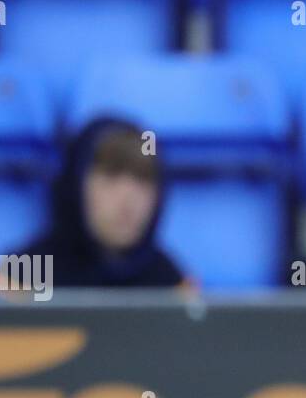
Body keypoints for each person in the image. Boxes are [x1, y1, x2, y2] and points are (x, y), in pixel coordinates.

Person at [15, 117, 191, 289]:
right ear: (74, 185)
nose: (129, 199)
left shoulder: (175, 287)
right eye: (110, 177)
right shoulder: (18, 280)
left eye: (143, 180)